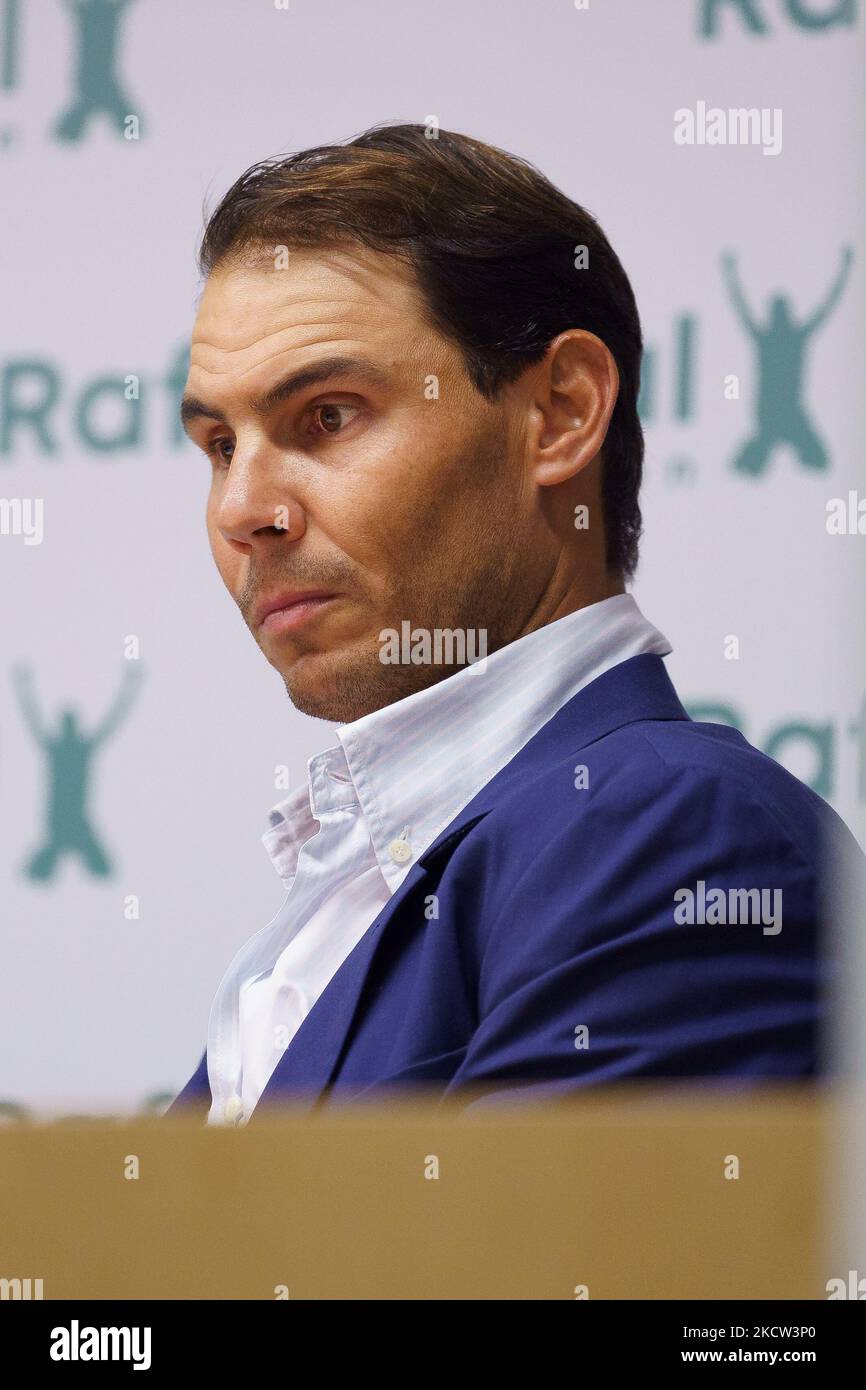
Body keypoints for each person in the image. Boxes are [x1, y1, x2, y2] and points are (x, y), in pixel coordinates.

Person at [168, 123, 854, 1125]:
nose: (242, 509)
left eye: (326, 416)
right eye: (221, 445)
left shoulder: (670, 834)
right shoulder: (360, 885)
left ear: (561, 413)